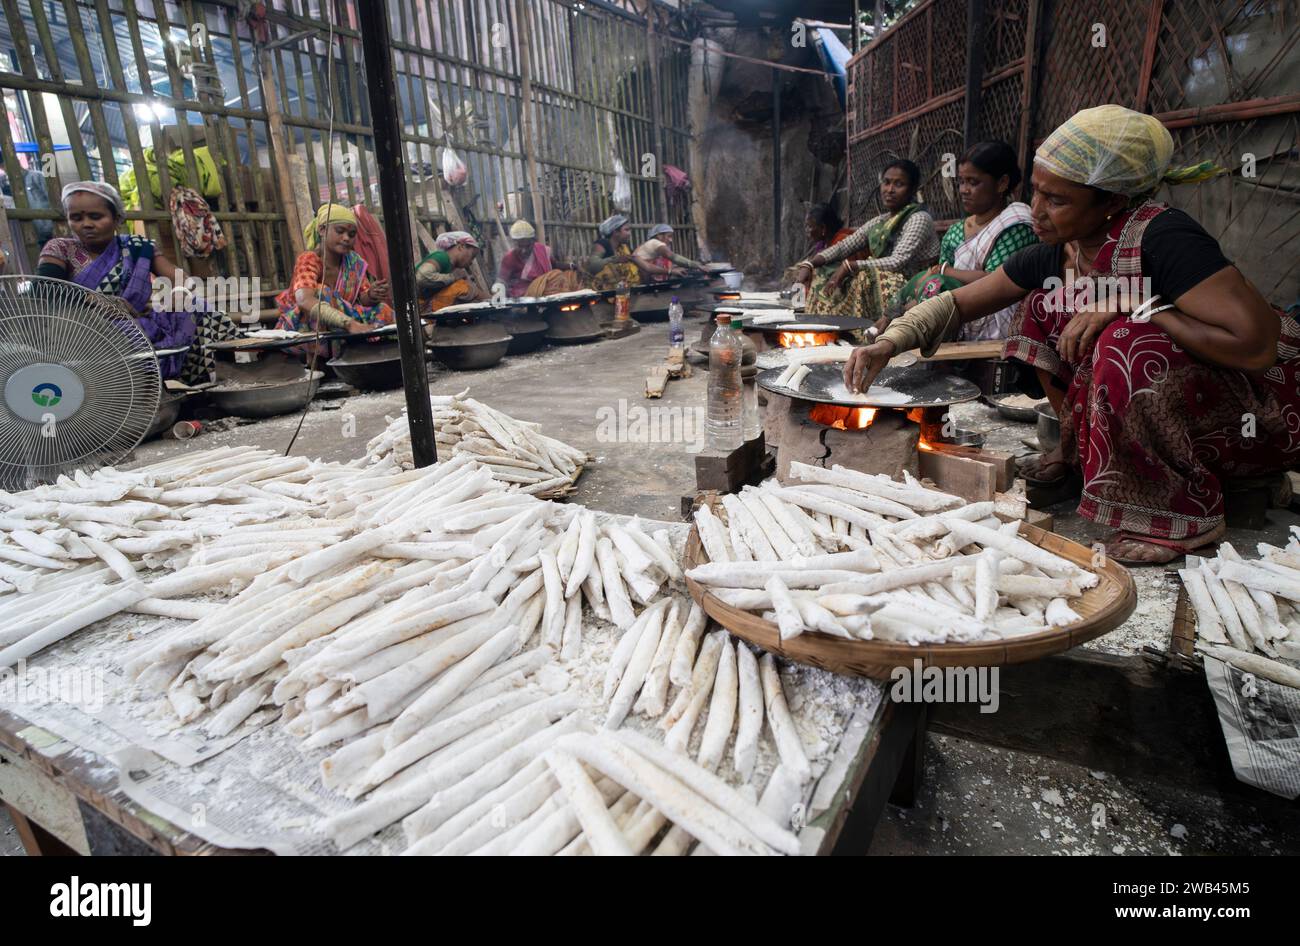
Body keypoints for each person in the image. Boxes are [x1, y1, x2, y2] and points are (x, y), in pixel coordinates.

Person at [842, 105, 1292, 564]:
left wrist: (1142, 306)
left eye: (1057, 201)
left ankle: (1181, 510)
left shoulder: (1164, 237)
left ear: (1113, 202)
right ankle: (1075, 452)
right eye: (1036, 193)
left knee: (1124, 339)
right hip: (1195, 397)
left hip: (1256, 412)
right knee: (1043, 305)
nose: (1036, 212)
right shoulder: (1060, 251)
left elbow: (1257, 347)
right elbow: (959, 302)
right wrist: (888, 342)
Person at [37, 181, 239, 384]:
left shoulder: (137, 247)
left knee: (197, 306)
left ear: (116, 219)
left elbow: (179, 278)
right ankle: (146, 389)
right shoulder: (60, 249)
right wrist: (93, 300)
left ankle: (208, 382)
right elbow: (42, 290)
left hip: (135, 324)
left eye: (96, 217)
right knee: (125, 334)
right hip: (85, 332)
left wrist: (180, 291)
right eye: (76, 218)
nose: (86, 224)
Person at [896, 141, 1037, 340]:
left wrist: (946, 272)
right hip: (955, 309)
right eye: (961, 182)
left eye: (973, 182)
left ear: (1002, 183)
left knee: (935, 284)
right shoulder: (955, 231)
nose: (964, 190)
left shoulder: (1015, 225)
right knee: (919, 282)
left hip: (994, 314)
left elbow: (1000, 281)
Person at [792, 159, 939, 321]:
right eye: (886, 182)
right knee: (823, 270)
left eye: (899, 184)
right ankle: (827, 323)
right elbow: (845, 246)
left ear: (912, 189)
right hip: (893, 280)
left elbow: (897, 261)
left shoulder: (919, 218)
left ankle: (872, 328)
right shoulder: (880, 221)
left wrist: (850, 266)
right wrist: (810, 263)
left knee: (868, 277)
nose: (889, 190)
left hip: (917, 284)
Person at [275, 203, 394, 359]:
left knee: (383, 309)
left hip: (345, 322)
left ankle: (372, 352)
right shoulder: (309, 259)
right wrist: (349, 324)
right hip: (303, 328)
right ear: (322, 230)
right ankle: (329, 358)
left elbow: (361, 300)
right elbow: (304, 301)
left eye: (351, 234)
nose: (346, 238)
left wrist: (371, 295)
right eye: (340, 231)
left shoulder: (353, 262)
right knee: (321, 292)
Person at [497, 220, 581, 297]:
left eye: (527, 246)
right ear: (514, 243)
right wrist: (499, 293)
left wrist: (570, 266)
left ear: (533, 242)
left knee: (560, 276)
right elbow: (502, 280)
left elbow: (554, 264)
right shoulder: (509, 258)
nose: (524, 250)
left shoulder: (540, 251)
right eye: (520, 246)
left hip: (546, 291)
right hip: (522, 295)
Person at [415, 230, 488, 313]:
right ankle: (492, 302)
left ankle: (491, 301)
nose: (471, 262)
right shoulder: (442, 257)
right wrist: (453, 277)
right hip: (414, 305)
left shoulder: (451, 266)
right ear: (461, 247)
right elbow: (421, 277)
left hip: (421, 305)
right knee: (462, 286)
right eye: (472, 256)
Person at [582, 214, 659, 290]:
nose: (629, 234)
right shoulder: (602, 244)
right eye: (626, 230)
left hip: (626, 291)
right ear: (615, 232)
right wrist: (615, 259)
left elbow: (643, 265)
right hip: (605, 291)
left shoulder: (624, 248)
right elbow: (592, 266)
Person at [632, 224, 704, 280]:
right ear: (659, 236)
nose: (671, 240)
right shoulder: (655, 242)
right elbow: (673, 257)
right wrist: (696, 265)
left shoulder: (649, 244)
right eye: (669, 236)